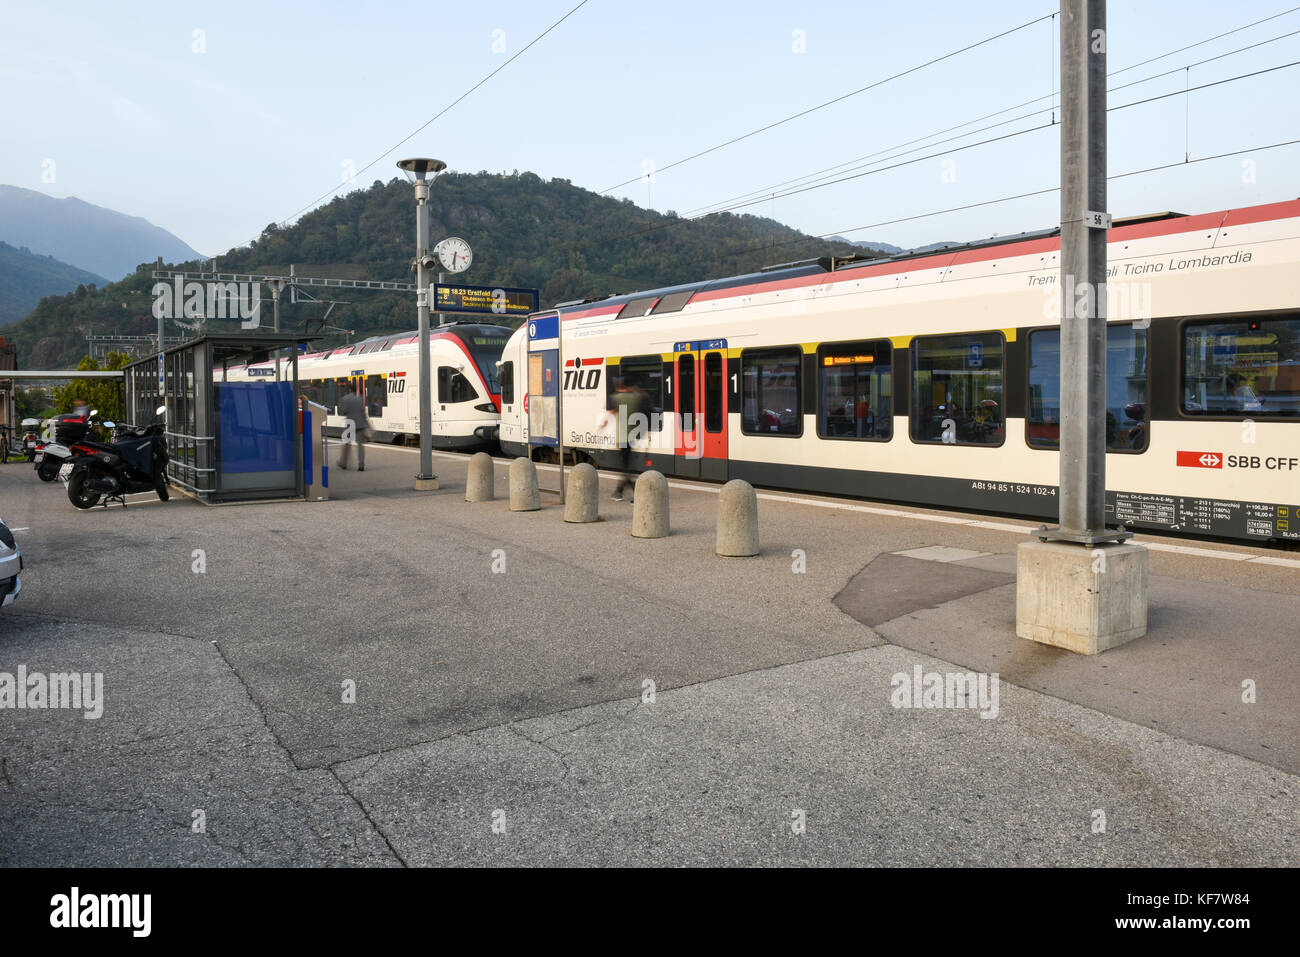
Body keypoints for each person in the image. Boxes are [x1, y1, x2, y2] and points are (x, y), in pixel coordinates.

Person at [607, 378, 640, 501]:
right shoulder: (634, 397)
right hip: (632, 435)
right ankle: (618, 491)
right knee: (626, 465)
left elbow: (610, 412)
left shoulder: (615, 398)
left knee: (625, 466)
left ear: (616, 386)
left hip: (622, 436)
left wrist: (601, 427)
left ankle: (634, 493)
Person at [337, 387, 370, 471]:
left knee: (347, 444)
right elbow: (363, 412)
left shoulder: (345, 398)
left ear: (349, 390)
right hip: (360, 424)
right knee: (360, 445)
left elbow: (343, 411)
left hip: (350, 424)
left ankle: (343, 463)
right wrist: (366, 424)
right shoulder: (360, 399)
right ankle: (361, 465)